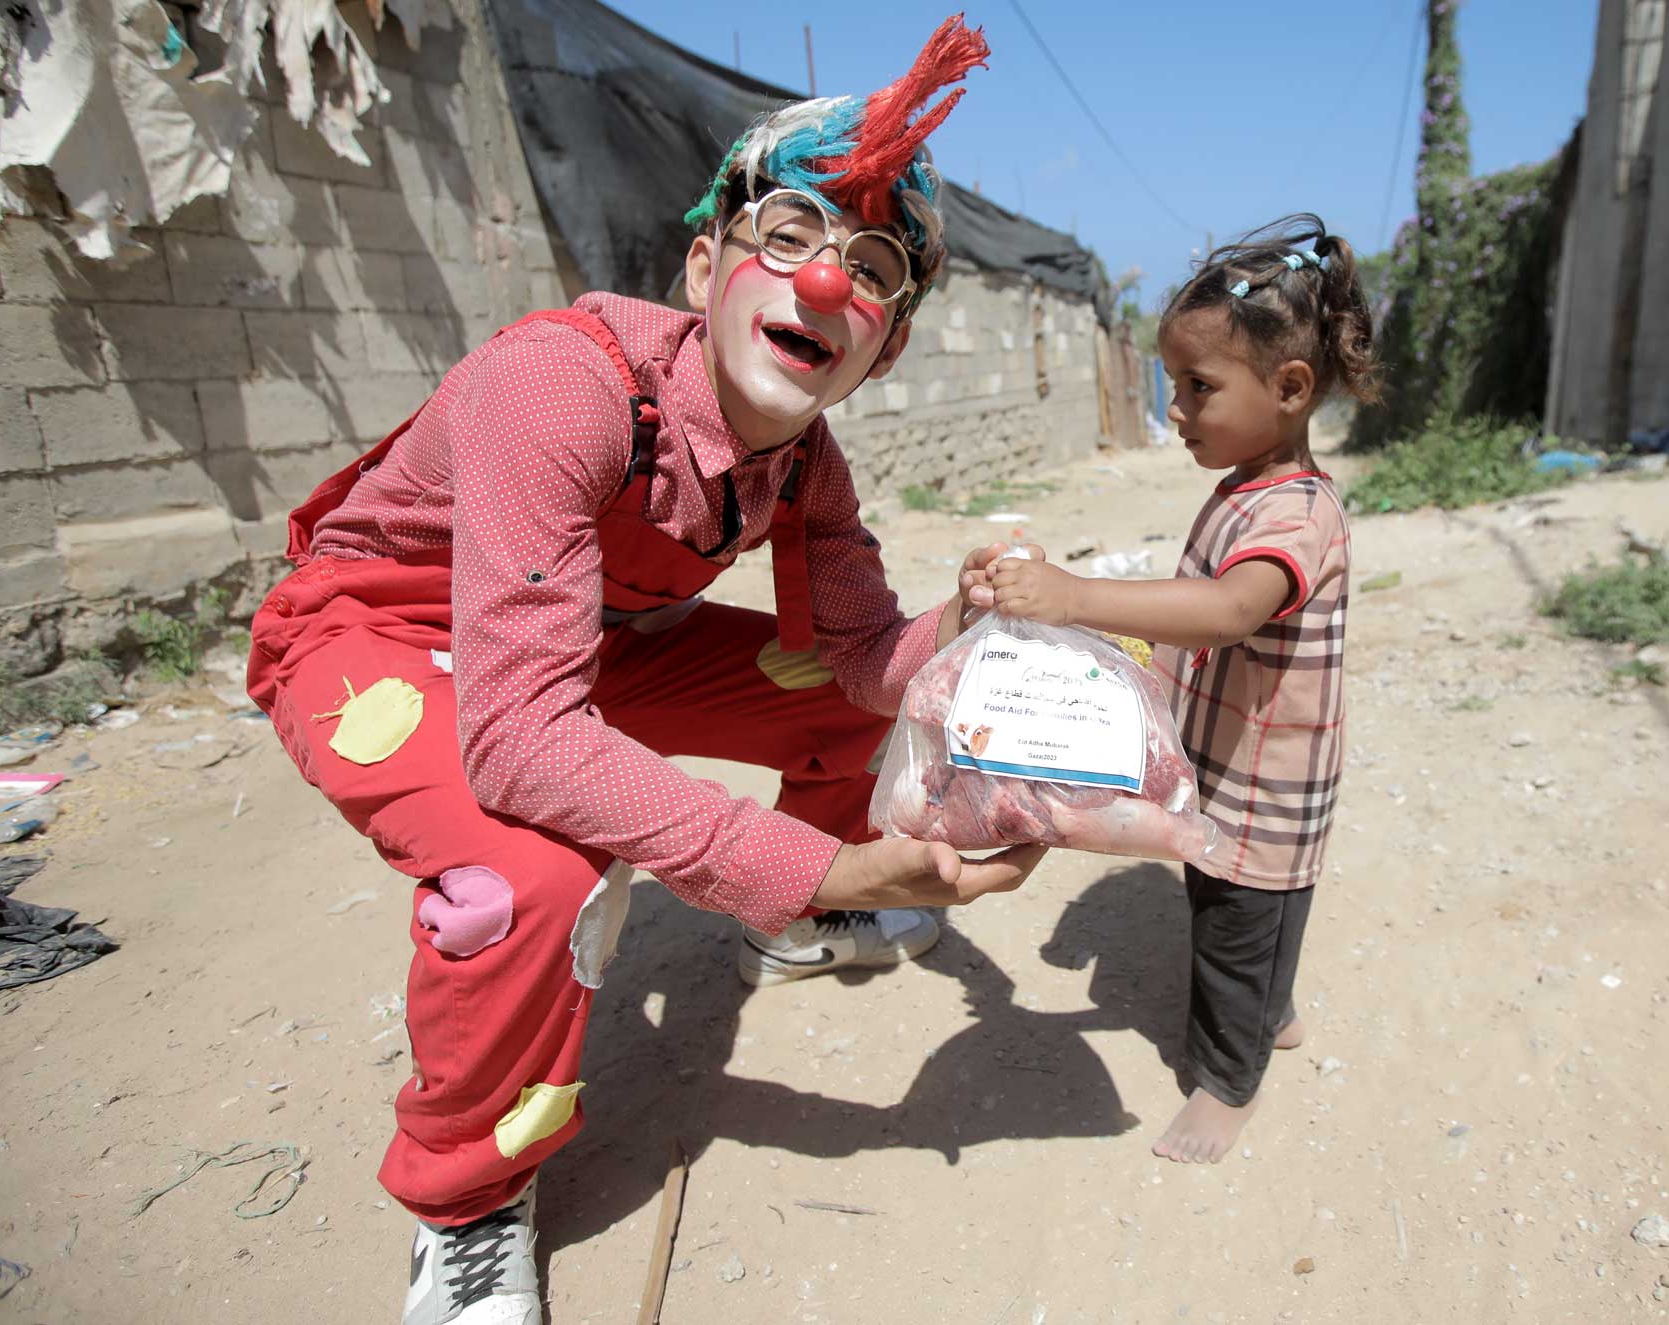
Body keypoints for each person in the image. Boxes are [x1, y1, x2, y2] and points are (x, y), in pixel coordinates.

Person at [245, 18, 1045, 1324]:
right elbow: (521, 740)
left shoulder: (806, 464)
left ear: (884, 348)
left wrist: (981, 629)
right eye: (788, 234)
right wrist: (828, 865)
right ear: (705, 266)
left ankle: (783, 933)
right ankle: (466, 1206)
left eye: (873, 267)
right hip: (378, 638)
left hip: (580, 648)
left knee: (842, 703)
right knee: (533, 875)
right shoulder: (559, 385)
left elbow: (860, 658)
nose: (824, 280)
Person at [983, 215, 1377, 1164]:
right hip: (1224, 766)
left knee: (1241, 928)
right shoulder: (1247, 486)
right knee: (1235, 909)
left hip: (1267, 782)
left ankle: (1227, 1081)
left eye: (1199, 387)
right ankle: (1269, 1012)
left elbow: (1231, 608)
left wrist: (1076, 595)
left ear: (1290, 389)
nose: (1176, 409)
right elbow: (1194, 612)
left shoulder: (1298, 511)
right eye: (1174, 385)